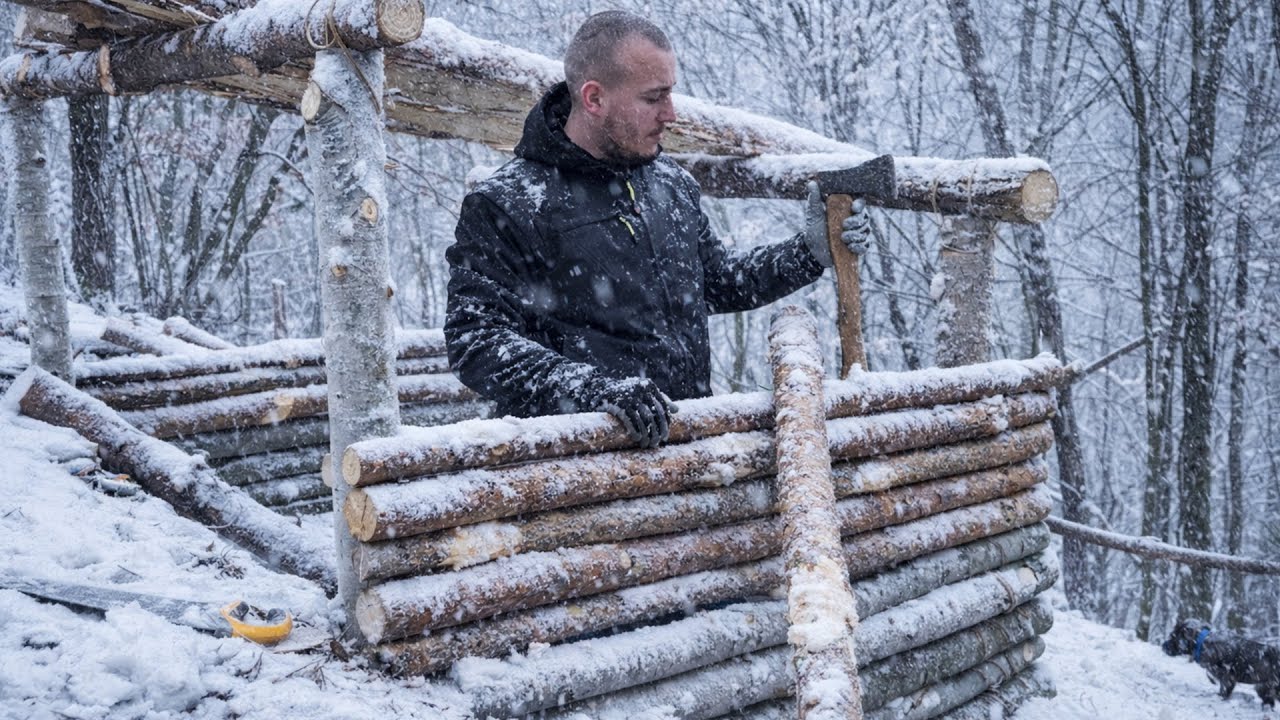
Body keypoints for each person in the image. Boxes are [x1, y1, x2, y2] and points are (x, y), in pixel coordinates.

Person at [444, 10, 870, 448]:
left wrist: (808, 253)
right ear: (594, 99)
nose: (671, 114)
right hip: (577, 473)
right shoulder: (509, 202)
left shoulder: (671, 183)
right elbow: (476, 341)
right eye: (654, 98)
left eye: (671, 94)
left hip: (686, 451)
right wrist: (591, 389)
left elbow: (717, 282)